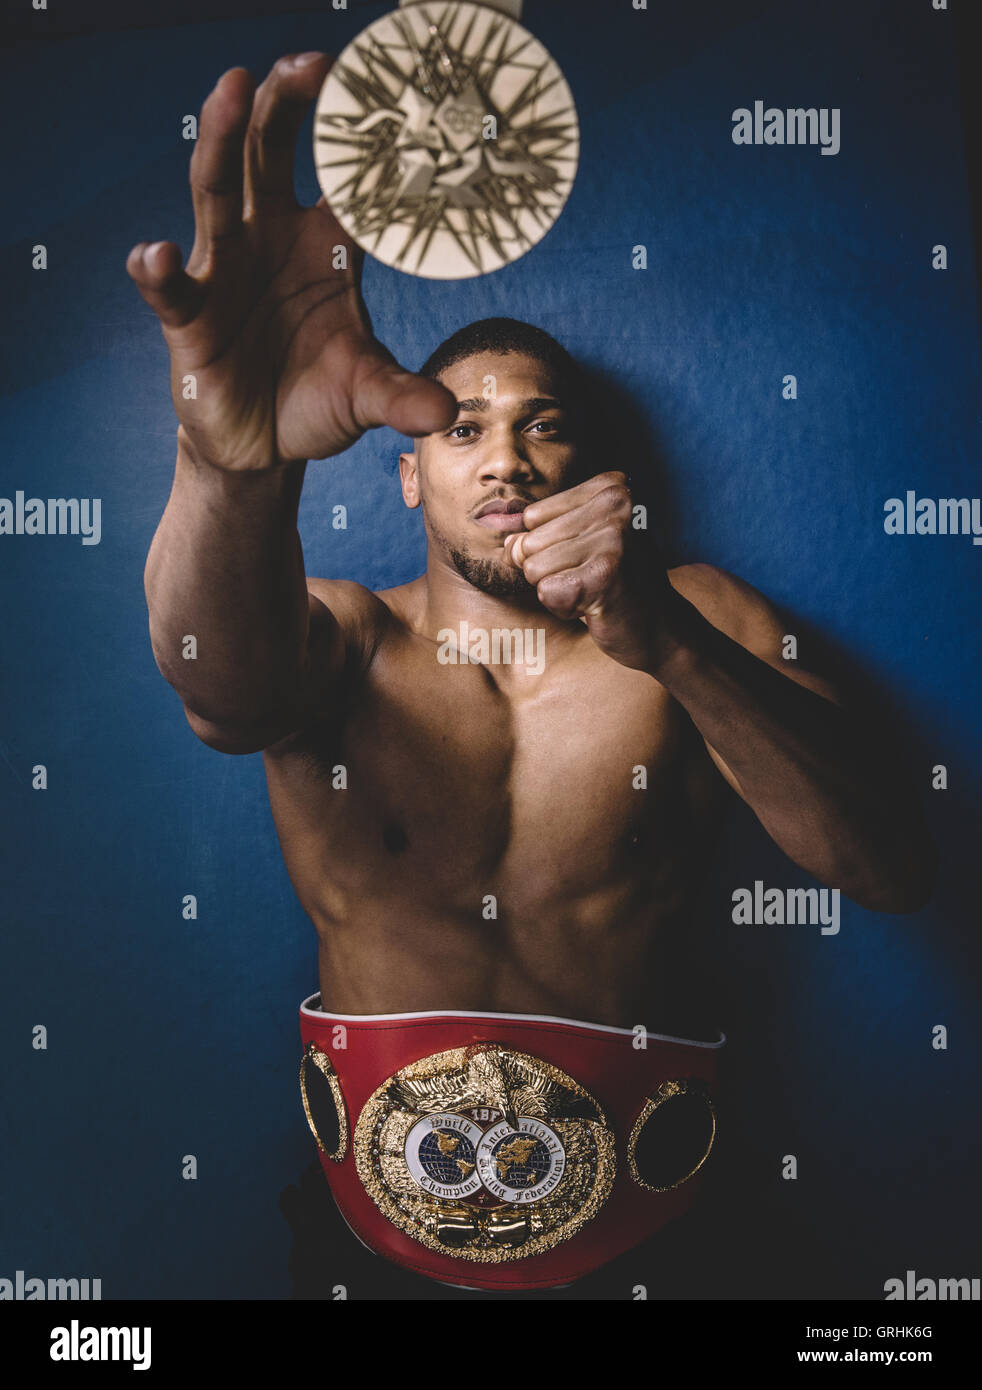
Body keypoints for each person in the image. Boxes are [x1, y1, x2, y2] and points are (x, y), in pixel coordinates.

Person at [129, 54, 936, 1295]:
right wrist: (228, 464)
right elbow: (216, 688)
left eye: (542, 423)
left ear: (596, 463)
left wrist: (663, 643)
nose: (505, 458)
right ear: (409, 473)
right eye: (459, 429)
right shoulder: (343, 638)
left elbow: (888, 863)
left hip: (657, 1244)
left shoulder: (704, 618)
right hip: (367, 1249)